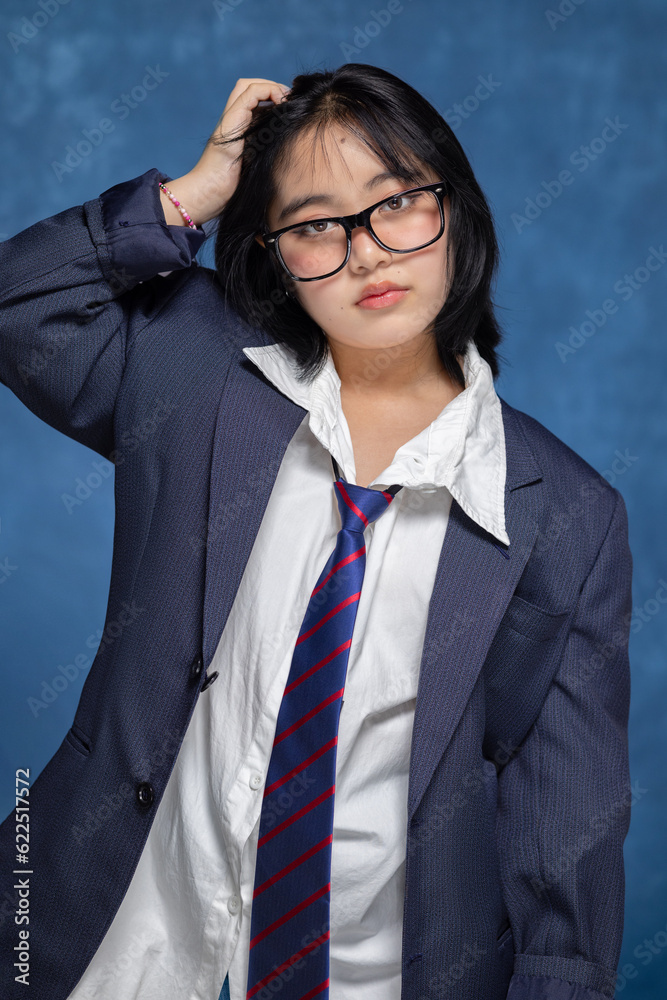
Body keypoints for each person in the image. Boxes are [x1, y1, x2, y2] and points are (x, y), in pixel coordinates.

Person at [0, 63, 632, 1000]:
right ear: (272, 252)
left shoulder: (566, 515)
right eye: (315, 226)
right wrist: (192, 195)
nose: (368, 252)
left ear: (456, 210)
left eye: (398, 204)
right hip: (100, 949)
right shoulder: (195, 368)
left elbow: (564, 862)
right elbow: (21, 309)